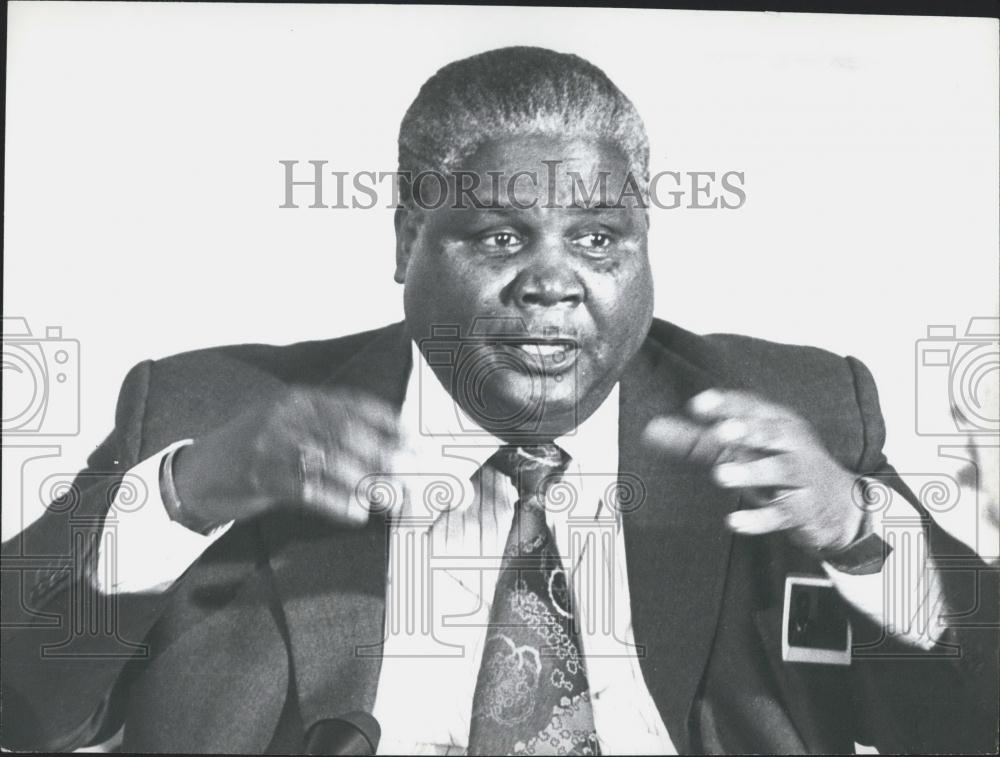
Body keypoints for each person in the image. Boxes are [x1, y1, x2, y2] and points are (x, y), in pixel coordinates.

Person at [1, 47, 996, 755]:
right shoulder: (211, 419)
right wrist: (180, 499)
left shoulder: (790, 422)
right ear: (406, 242)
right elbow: (19, 707)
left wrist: (863, 535)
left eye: (598, 238)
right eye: (498, 236)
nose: (553, 282)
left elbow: (968, 721)